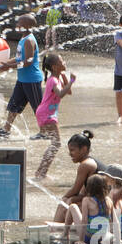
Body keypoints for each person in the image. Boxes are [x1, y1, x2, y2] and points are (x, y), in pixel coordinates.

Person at [0, 15, 44, 137]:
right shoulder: (23, 38)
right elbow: (19, 58)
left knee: (38, 108)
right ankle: (6, 130)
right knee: (13, 106)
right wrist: (7, 63)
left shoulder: (29, 40)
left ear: (27, 26)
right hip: (22, 80)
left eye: (20, 23)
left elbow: (28, 61)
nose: (17, 25)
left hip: (31, 80)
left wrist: (10, 66)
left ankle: (45, 131)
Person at [33, 53, 76, 181]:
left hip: (47, 113)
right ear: (55, 67)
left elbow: (69, 92)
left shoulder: (57, 78)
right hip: (47, 113)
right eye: (62, 61)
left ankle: (41, 171)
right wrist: (73, 80)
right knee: (56, 143)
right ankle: (41, 172)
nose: (64, 63)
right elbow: (61, 94)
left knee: (55, 143)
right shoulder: (53, 80)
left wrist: (67, 80)